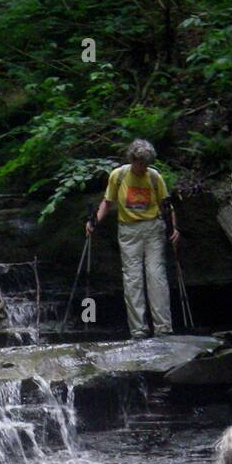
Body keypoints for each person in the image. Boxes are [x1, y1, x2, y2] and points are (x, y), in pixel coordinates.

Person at [87, 139, 180, 339]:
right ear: (132, 159)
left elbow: (166, 204)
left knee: (156, 276)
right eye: (140, 163)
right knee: (132, 279)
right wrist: (94, 221)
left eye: (146, 164)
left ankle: (163, 328)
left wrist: (174, 229)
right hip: (128, 231)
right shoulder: (118, 176)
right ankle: (138, 330)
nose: (142, 168)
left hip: (153, 229)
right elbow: (107, 201)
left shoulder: (154, 177)